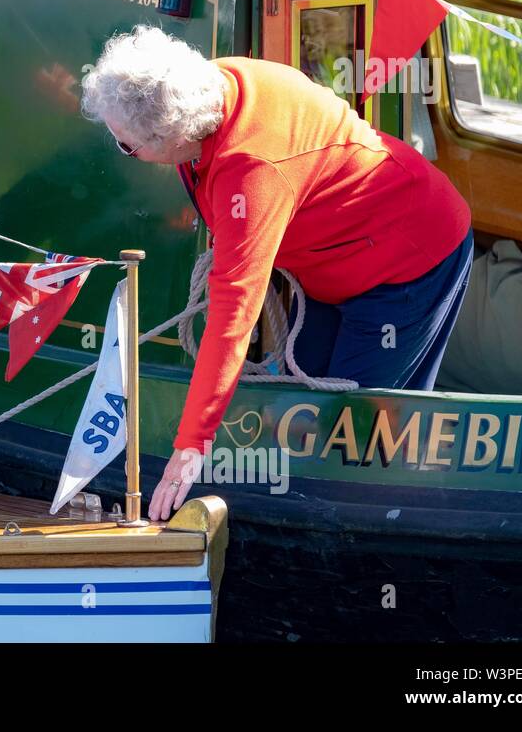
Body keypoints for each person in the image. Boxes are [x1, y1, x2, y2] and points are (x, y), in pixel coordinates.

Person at [80, 26, 473, 522]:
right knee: (302, 412)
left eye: (127, 147)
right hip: (335, 263)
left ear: (174, 136)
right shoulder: (208, 83)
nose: (126, 155)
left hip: (412, 259)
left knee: (355, 436)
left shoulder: (254, 169)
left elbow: (233, 314)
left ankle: (387, 532)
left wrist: (190, 447)